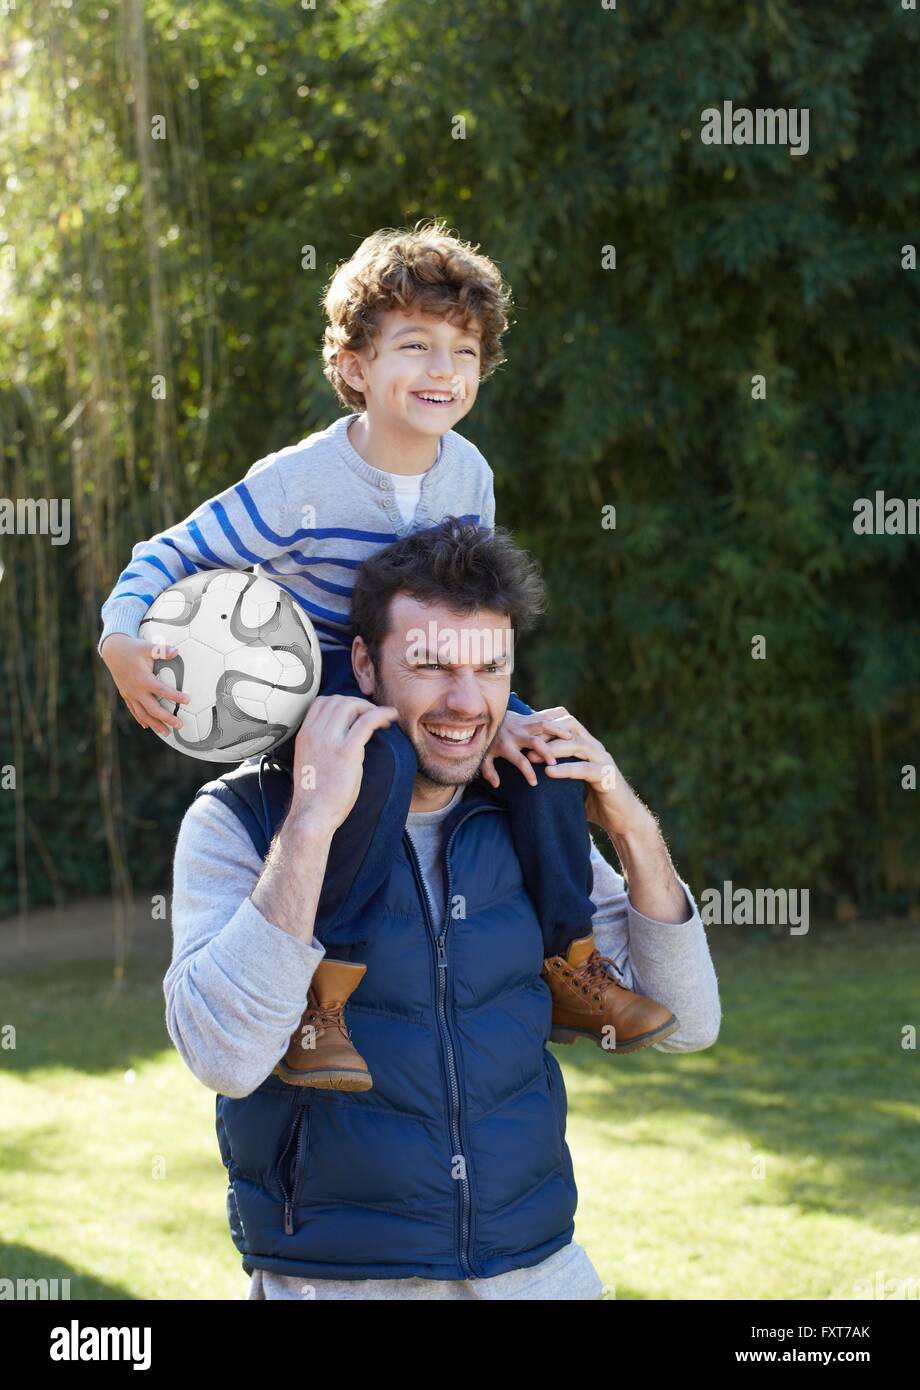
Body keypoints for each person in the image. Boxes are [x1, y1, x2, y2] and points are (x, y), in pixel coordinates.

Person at [99, 220, 675, 1074]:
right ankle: (322, 1002)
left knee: (545, 752)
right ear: (355, 366)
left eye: (464, 351)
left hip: (429, 672)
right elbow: (168, 554)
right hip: (324, 686)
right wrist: (120, 634)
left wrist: (495, 712)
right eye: (415, 346)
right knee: (383, 764)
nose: (443, 370)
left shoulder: (469, 473)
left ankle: (572, 964)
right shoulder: (296, 482)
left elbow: (472, 607)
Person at [164, 519, 721, 1299]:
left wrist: (629, 822)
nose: (466, 702)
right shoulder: (244, 820)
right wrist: (313, 820)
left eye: (491, 668)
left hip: (540, 1274)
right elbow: (224, 1057)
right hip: (340, 1284)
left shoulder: (520, 809)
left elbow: (688, 1022)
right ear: (364, 663)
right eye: (430, 665)